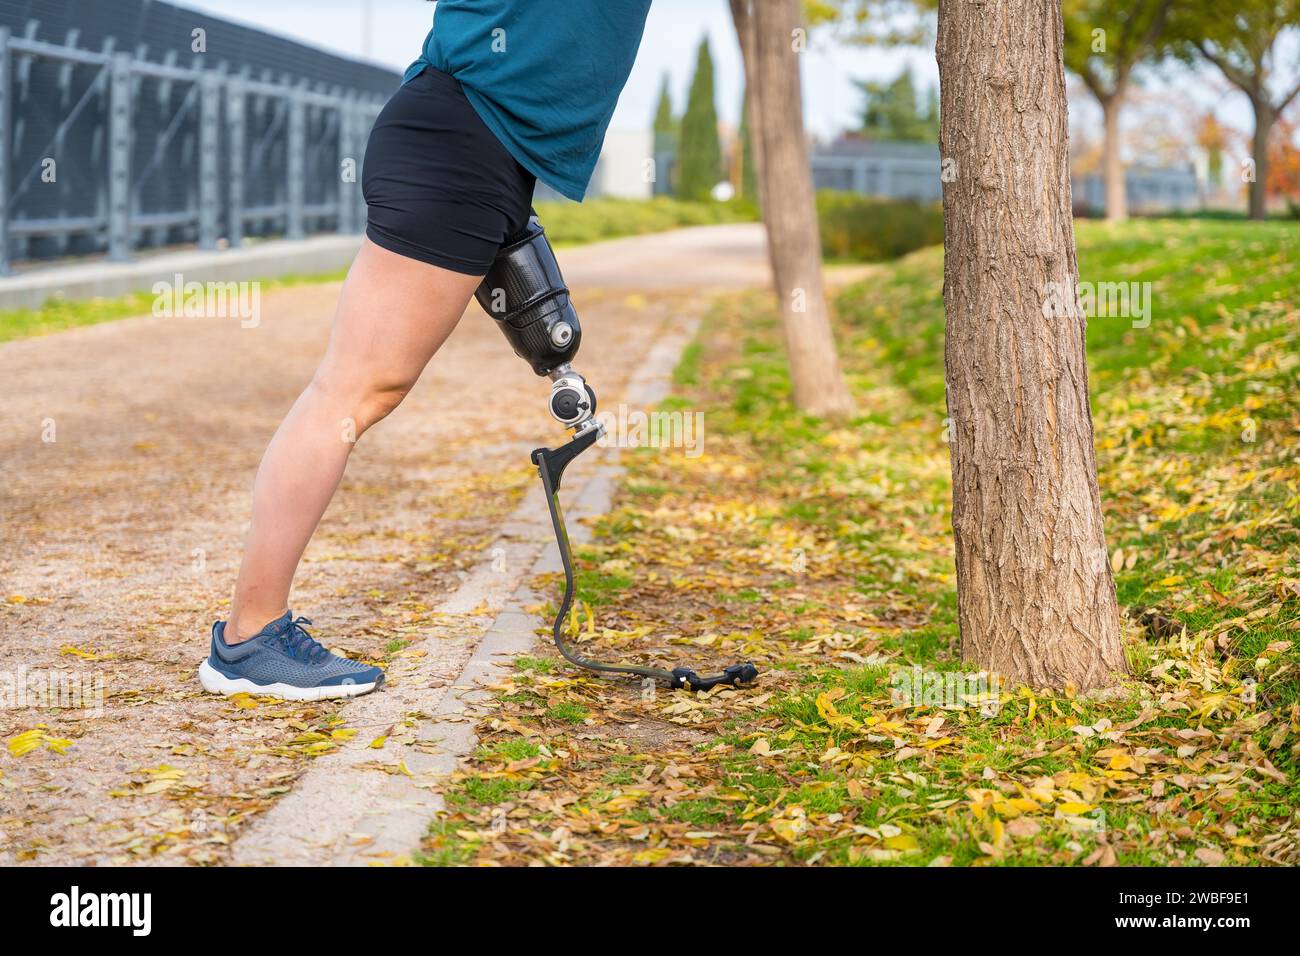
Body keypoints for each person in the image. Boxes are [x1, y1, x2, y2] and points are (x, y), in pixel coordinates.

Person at [199, 0, 653, 700]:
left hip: (481, 149)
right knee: (353, 390)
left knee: (357, 390)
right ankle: (250, 635)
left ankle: (250, 634)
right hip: (460, 142)